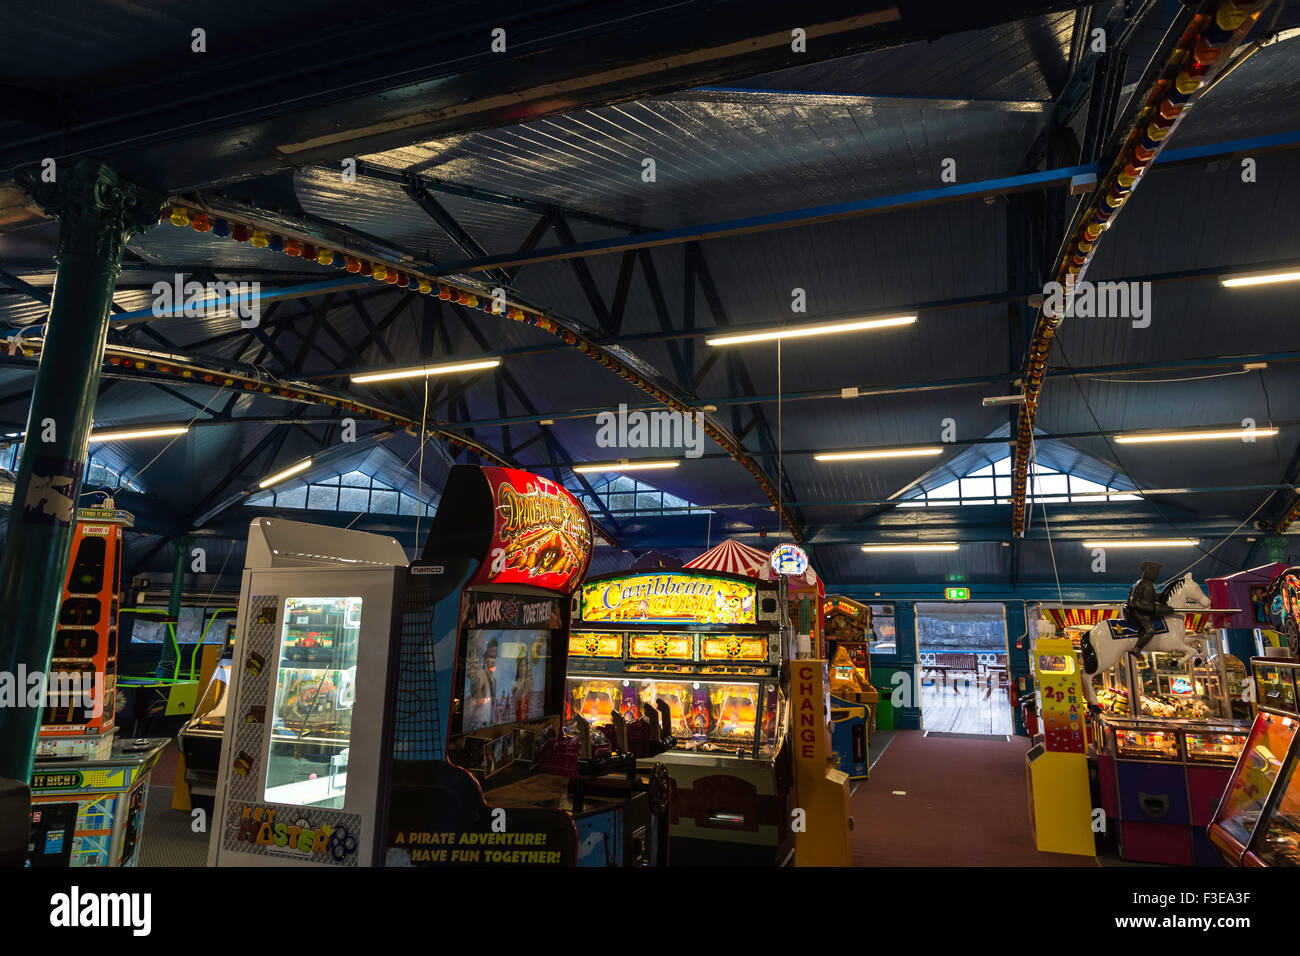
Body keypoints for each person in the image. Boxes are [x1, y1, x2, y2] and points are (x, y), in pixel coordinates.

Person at [1125, 562, 1177, 657]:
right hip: (1139, 614)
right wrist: (1155, 609)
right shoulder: (1140, 584)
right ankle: (1137, 648)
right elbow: (1135, 603)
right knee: (1150, 630)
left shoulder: (1148, 585)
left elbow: (1150, 598)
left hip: (1144, 612)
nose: (1155, 574)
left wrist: (1162, 597)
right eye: (1154, 571)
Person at [465, 637, 498, 730]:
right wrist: (473, 678)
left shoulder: (494, 680)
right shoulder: (482, 673)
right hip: (478, 723)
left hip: (487, 723)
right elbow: (475, 688)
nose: (492, 661)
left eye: (494, 657)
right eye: (490, 656)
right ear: (485, 657)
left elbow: (492, 703)